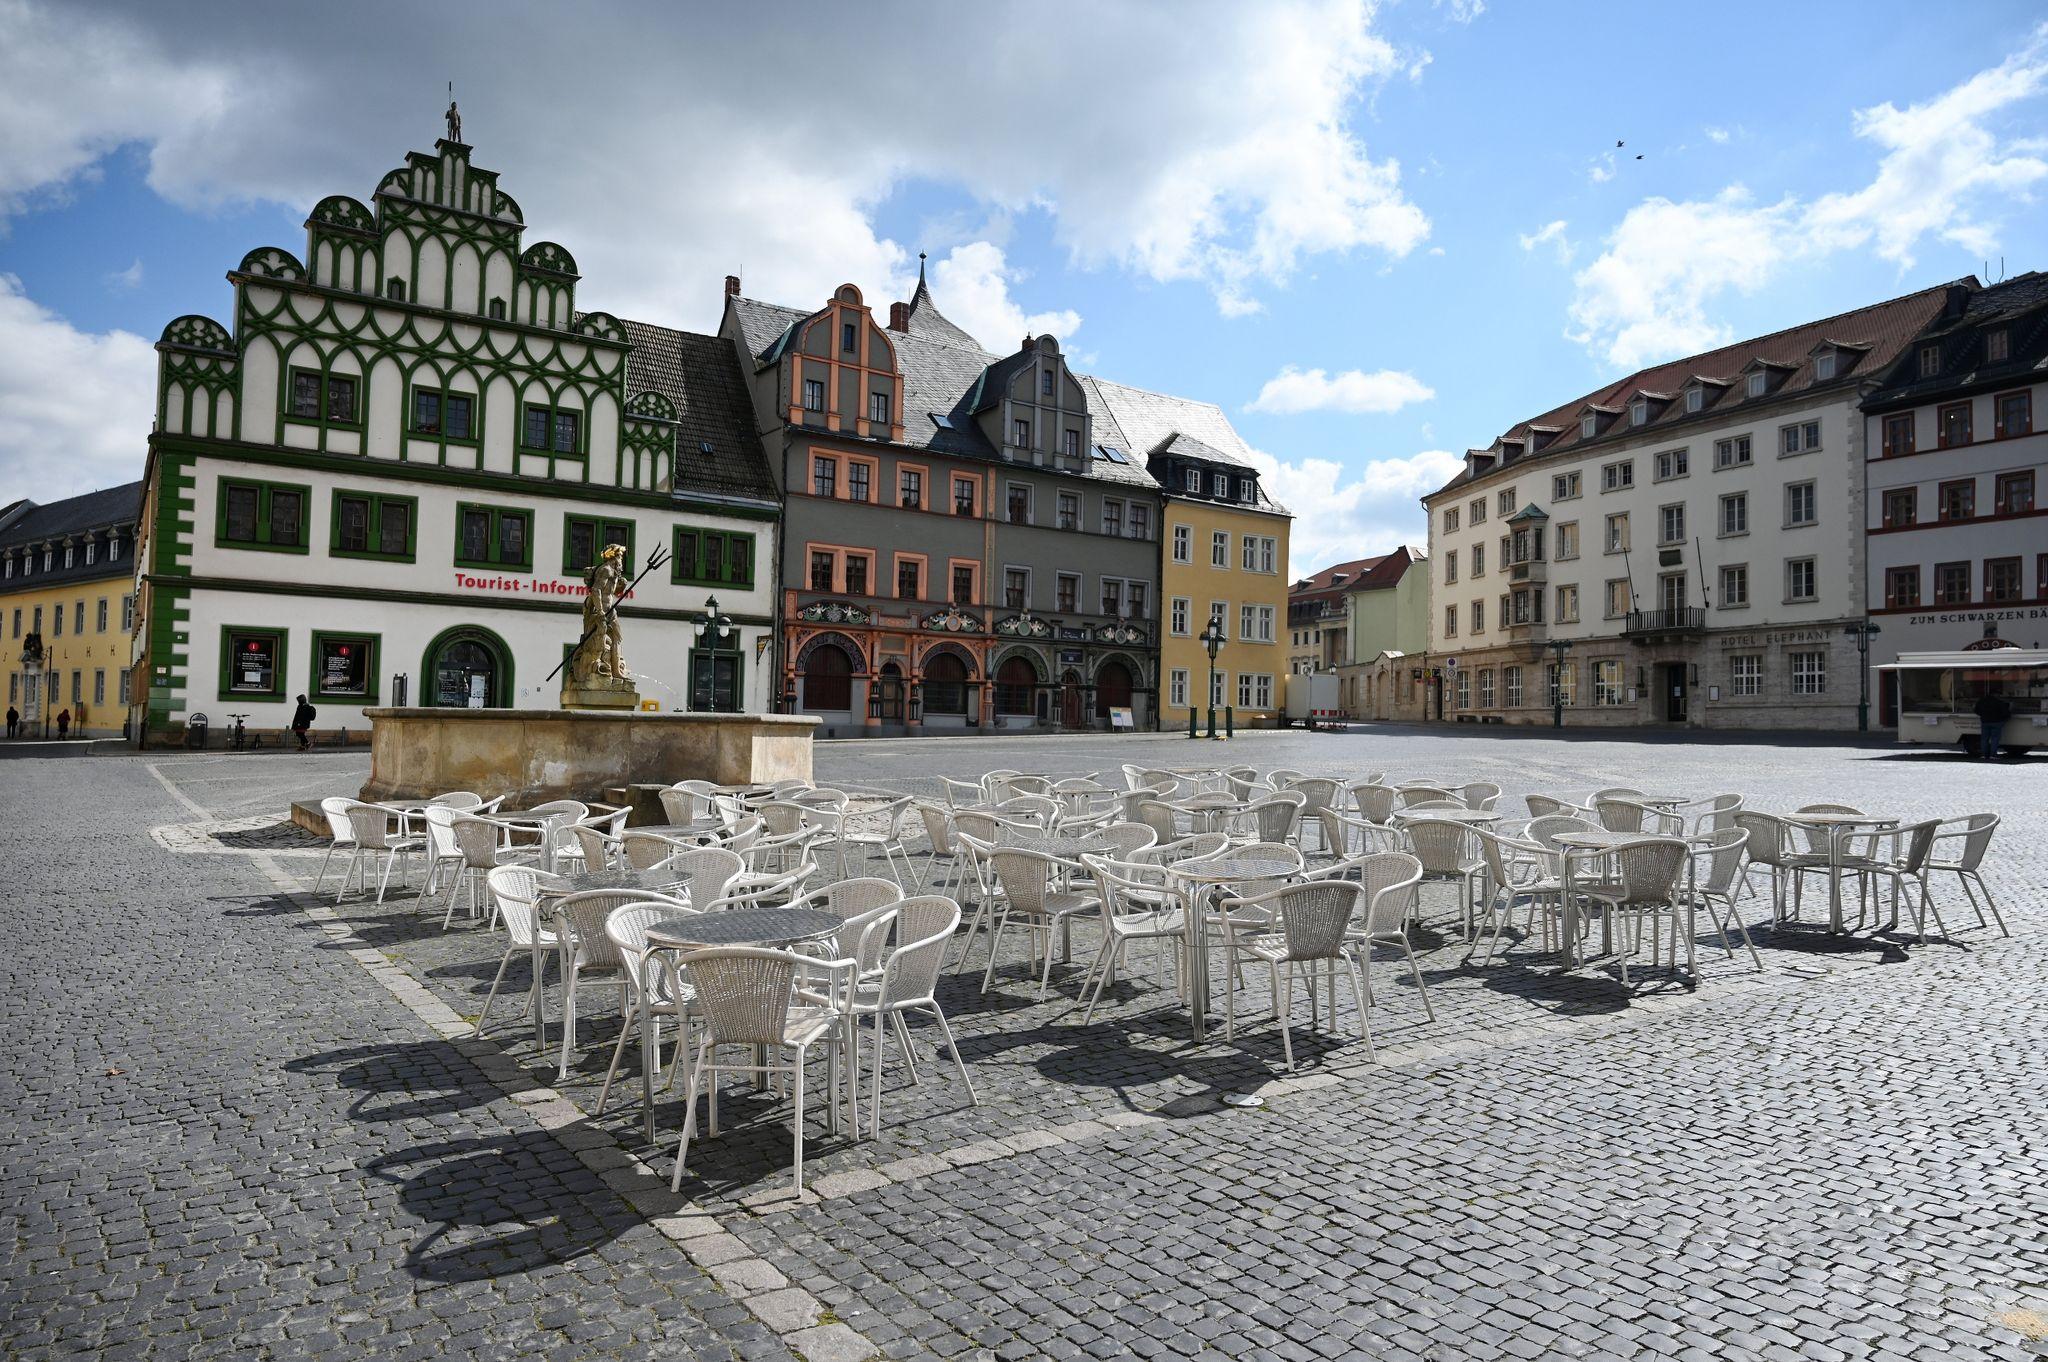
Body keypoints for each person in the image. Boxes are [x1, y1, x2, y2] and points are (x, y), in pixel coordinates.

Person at [1974, 687, 2013, 761]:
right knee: (1995, 739)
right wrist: (2004, 719)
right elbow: (2006, 713)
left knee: (1984, 739)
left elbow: (1976, 710)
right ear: (1996, 694)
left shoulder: (1982, 701)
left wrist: (1983, 715)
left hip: (1985, 722)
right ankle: (1993, 754)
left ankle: (1984, 754)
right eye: (1998, 694)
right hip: (1996, 722)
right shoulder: (1999, 702)